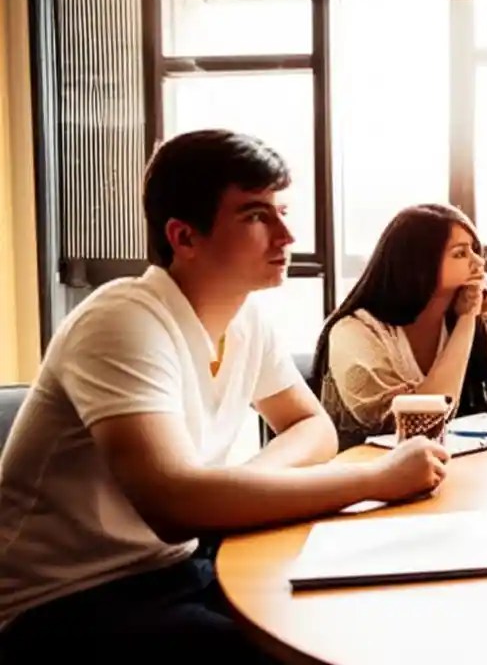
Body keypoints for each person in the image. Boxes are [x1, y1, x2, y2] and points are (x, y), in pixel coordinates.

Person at [0, 130, 448, 662]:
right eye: (256, 215)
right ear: (184, 237)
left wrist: (234, 485)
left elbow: (314, 429)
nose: (286, 234)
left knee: (357, 613)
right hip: (61, 602)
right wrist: (377, 478)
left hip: (173, 566)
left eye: (282, 210)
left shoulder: (245, 320)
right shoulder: (121, 320)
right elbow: (174, 504)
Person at [315, 204, 487, 451]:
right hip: (367, 483)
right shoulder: (356, 331)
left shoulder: (471, 323)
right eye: (461, 253)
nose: (479, 262)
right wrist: (465, 321)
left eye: (475, 249)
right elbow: (418, 427)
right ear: (418, 264)